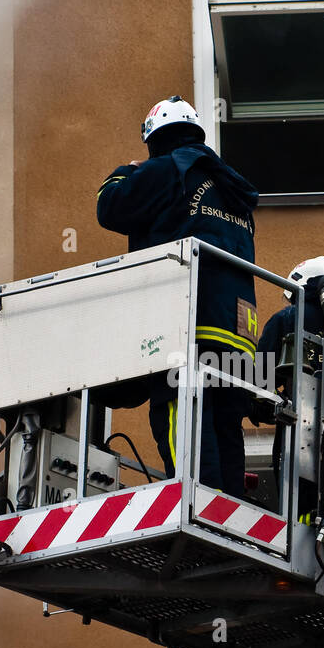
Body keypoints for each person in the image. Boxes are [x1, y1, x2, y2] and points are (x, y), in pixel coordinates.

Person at [96, 96, 260, 498]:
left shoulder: (168, 169)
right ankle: (227, 511)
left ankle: (196, 504)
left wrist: (125, 173)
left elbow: (110, 207)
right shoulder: (231, 187)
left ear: (154, 140)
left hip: (185, 326)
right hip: (238, 333)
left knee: (179, 407)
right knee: (225, 422)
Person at [253, 256, 324, 521]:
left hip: (300, 426)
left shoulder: (288, 318)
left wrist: (259, 407)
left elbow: (259, 380)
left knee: (298, 502)